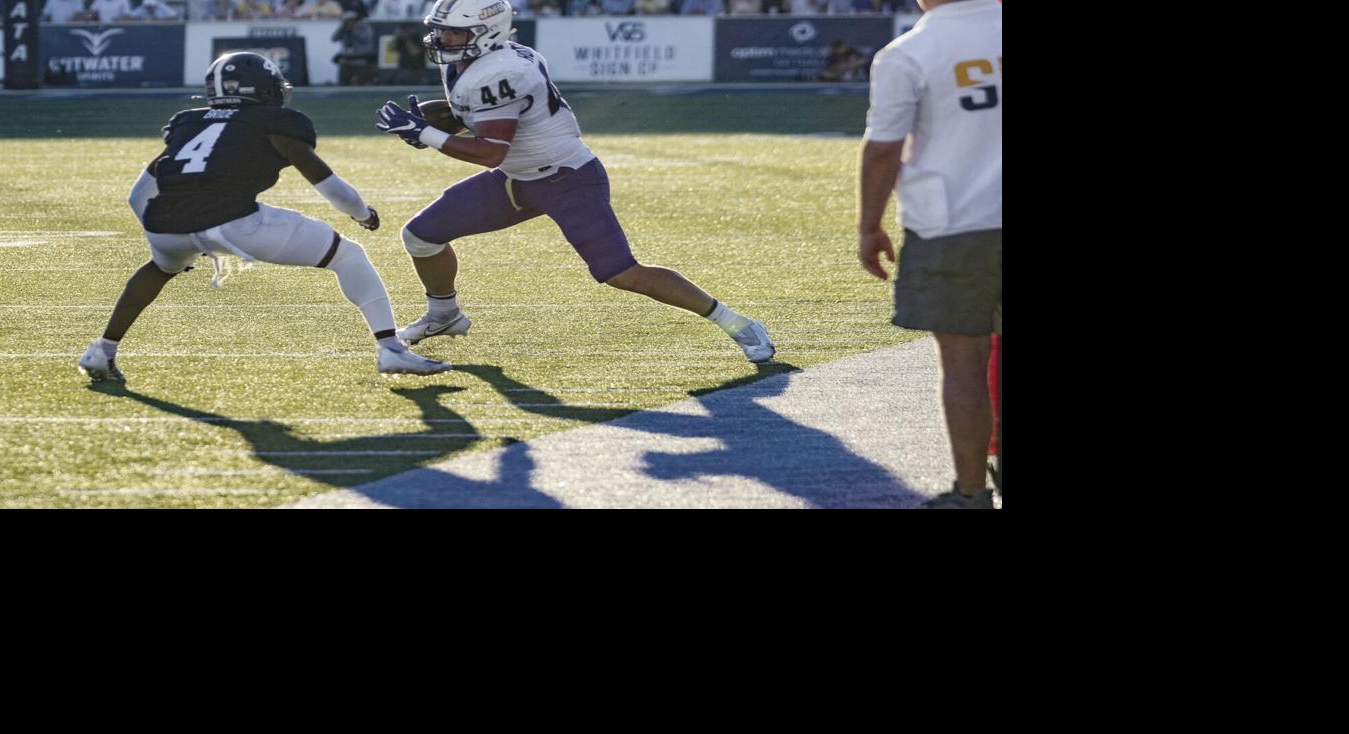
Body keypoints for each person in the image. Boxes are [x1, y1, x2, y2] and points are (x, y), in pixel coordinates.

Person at [372, 0, 775, 363]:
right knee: (422, 236)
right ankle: (445, 316)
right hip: (519, 179)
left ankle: (737, 323)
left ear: (487, 32)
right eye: (440, 30)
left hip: (567, 179)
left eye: (454, 32)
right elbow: (480, 123)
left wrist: (426, 133)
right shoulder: (481, 61)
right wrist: (440, 126)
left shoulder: (501, 71)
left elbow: (490, 151)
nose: (442, 38)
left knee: (621, 272)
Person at [78, 52, 450, 384]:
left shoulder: (188, 122)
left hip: (165, 224)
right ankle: (392, 349)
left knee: (159, 269)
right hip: (234, 220)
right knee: (348, 255)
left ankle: (102, 351)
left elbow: (137, 196)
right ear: (264, 89)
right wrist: (363, 214)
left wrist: (176, 233)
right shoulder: (277, 122)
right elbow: (330, 186)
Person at [857, 0, 1000, 508]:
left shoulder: (910, 50)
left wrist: (869, 226)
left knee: (963, 366)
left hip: (954, 224)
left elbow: (882, 149)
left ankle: (970, 495)